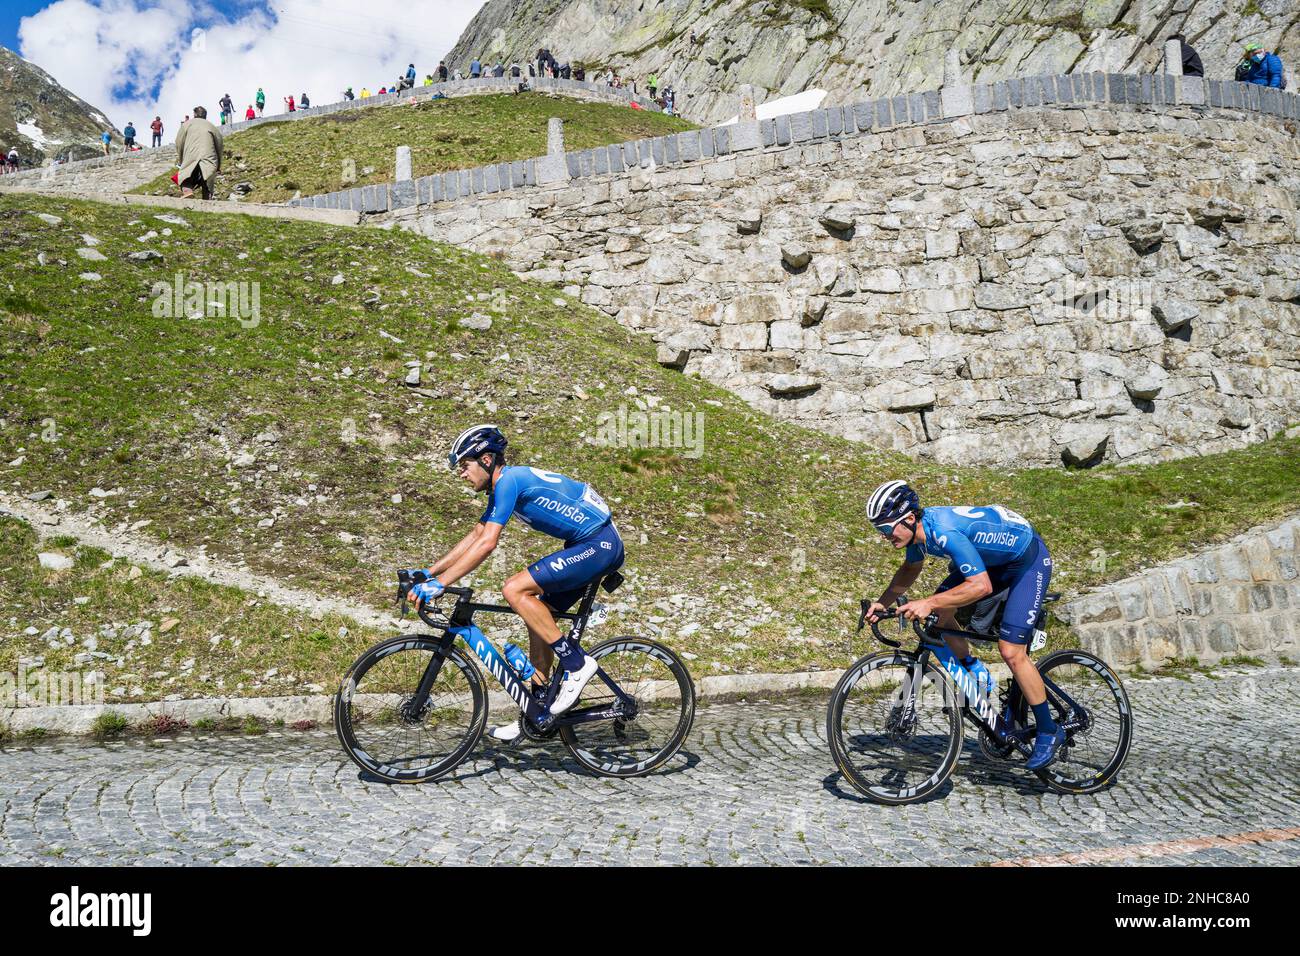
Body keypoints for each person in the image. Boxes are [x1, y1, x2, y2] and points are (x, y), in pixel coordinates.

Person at [405, 426, 623, 742]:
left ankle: (577, 665)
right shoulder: (502, 487)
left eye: (465, 466)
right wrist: (430, 572)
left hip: (599, 543)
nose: (462, 474)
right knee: (537, 613)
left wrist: (439, 585)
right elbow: (477, 535)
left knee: (514, 589)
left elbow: (488, 544)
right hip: (586, 545)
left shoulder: (509, 481)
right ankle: (539, 708)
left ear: (487, 459)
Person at [863, 481, 1065, 771]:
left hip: (1026, 561)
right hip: (992, 562)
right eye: (879, 531)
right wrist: (883, 603)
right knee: (940, 617)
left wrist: (929, 602)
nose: (884, 537)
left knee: (1011, 651)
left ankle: (1048, 730)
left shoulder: (943, 532)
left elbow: (980, 586)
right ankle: (975, 672)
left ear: (909, 519)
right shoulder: (919, 534)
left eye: (886, 529)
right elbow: (910, 568)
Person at [174, 105, 223, 200]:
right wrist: (218, 165)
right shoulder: (213, 127)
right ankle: (207, 200)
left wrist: (181, 159)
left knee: (186, 175)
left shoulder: (187, 124)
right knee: (207, 179)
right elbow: (219, 146)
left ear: (195, 114)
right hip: (209, 156)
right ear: (205, 115)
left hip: (191, 154)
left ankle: (188, 192)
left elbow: (179, 142)